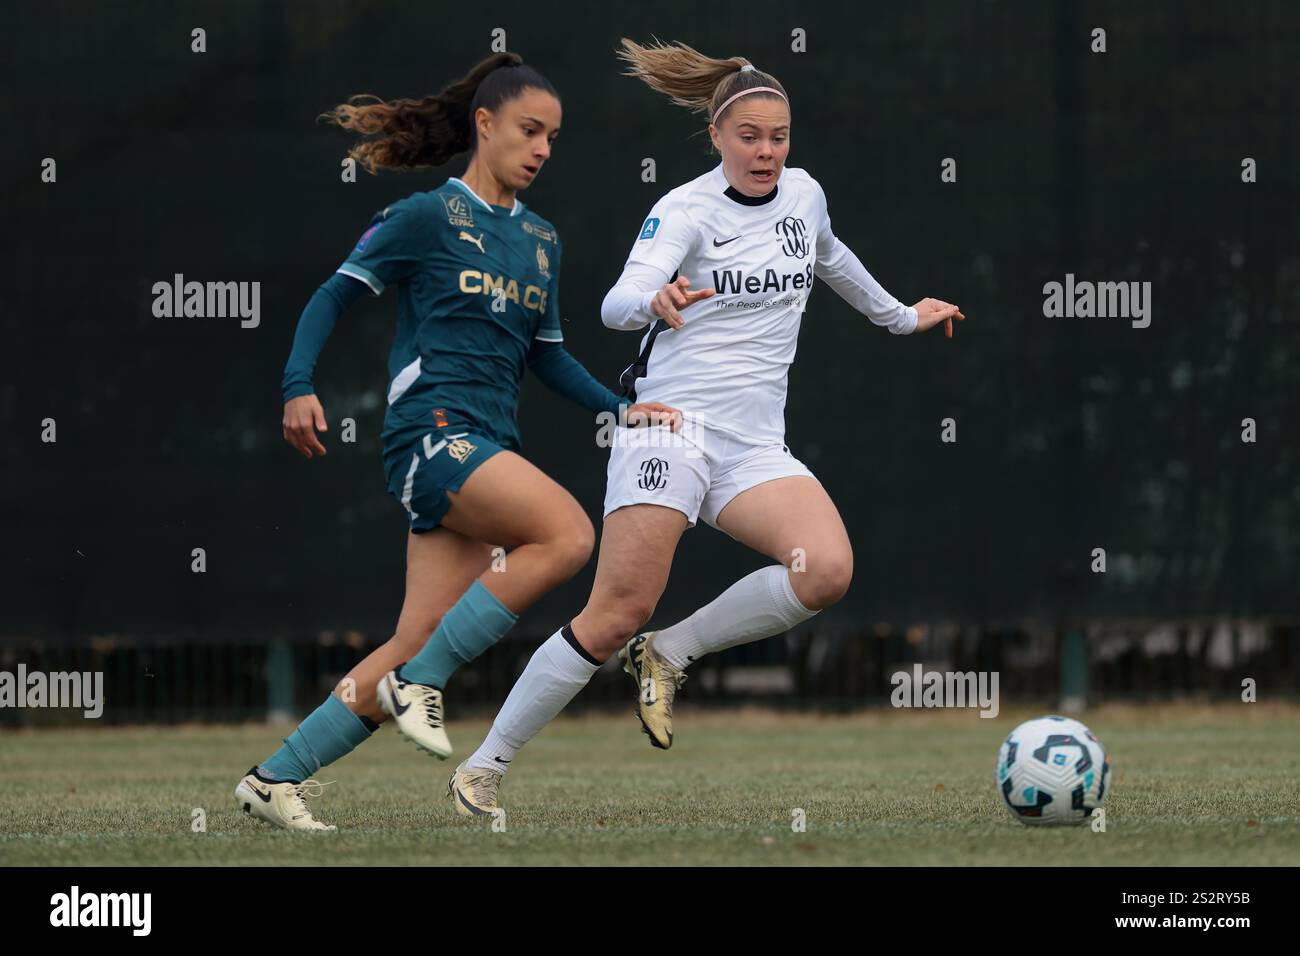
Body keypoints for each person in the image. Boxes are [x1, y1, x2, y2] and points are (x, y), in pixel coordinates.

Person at [448, 38, 965, 816]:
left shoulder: (805, 195)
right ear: (717, 136)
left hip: (753, 445)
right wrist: (652, 301)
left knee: (824, 570)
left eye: (779, 136)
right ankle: (483, 767)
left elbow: (831, 257)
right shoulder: (684, 210)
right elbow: (614, 305)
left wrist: (900, 318)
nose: (766, 151)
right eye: (749, 136)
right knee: (616, 609)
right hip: (669, 430)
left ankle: (671, 652)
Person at [234, 51, 678, 830]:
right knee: (569, 534)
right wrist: (297, 385)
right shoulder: (426, 215)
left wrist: (618, 406)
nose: (542, 148)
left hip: (483, 442)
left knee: (415, 638)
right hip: (430, 435)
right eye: (529, 130)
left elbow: (546, 356)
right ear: (484, 123)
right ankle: (423, 684)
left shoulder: (541, 240)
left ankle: (275, 778)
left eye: (552, 137)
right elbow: (334, 293)